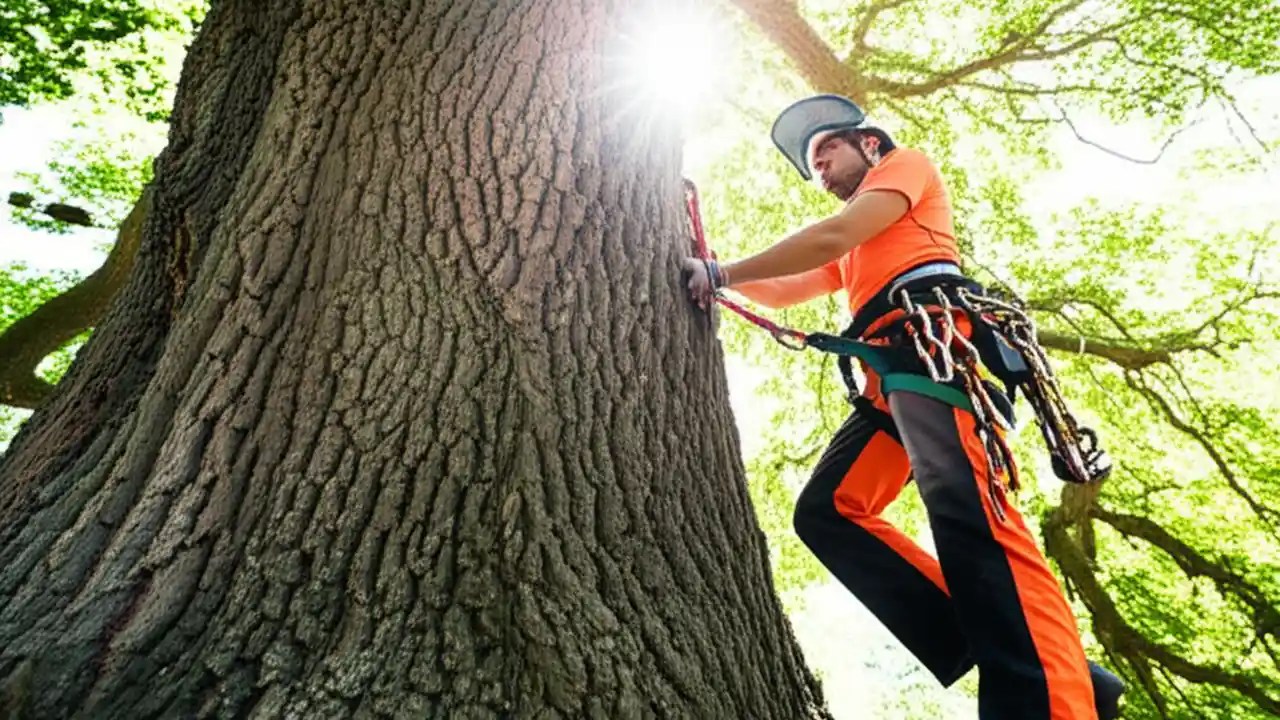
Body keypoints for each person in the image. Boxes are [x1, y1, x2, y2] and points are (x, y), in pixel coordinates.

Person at [682, 95, 1125, 720]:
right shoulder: (853, 250)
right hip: (893, 376)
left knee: (973, 522)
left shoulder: (906, 169)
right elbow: (787, 284)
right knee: (829, 511)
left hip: (937, 350)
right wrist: (707, 266)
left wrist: (720, 271)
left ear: (869, 145)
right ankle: (1052, 661)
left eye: (825, 150)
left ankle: (1052, 700)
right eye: (812, 165)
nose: (820, 170)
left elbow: (834, 231)